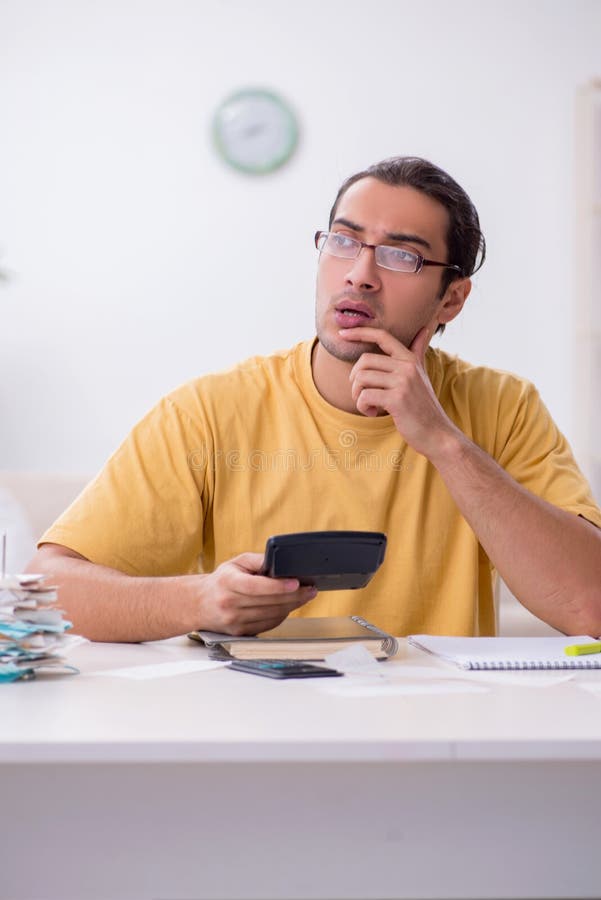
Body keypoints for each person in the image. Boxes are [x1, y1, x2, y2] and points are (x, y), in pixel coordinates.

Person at [28, 157, 601, 642]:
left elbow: (589, 608)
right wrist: (199, 600)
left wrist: (445, 443)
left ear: (451, 299)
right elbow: (48, 590)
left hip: (437, 741)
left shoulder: (503, 407)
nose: (360, 274)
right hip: (261, 739)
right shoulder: (208, 411)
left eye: (401, 255)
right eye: (345, 241)